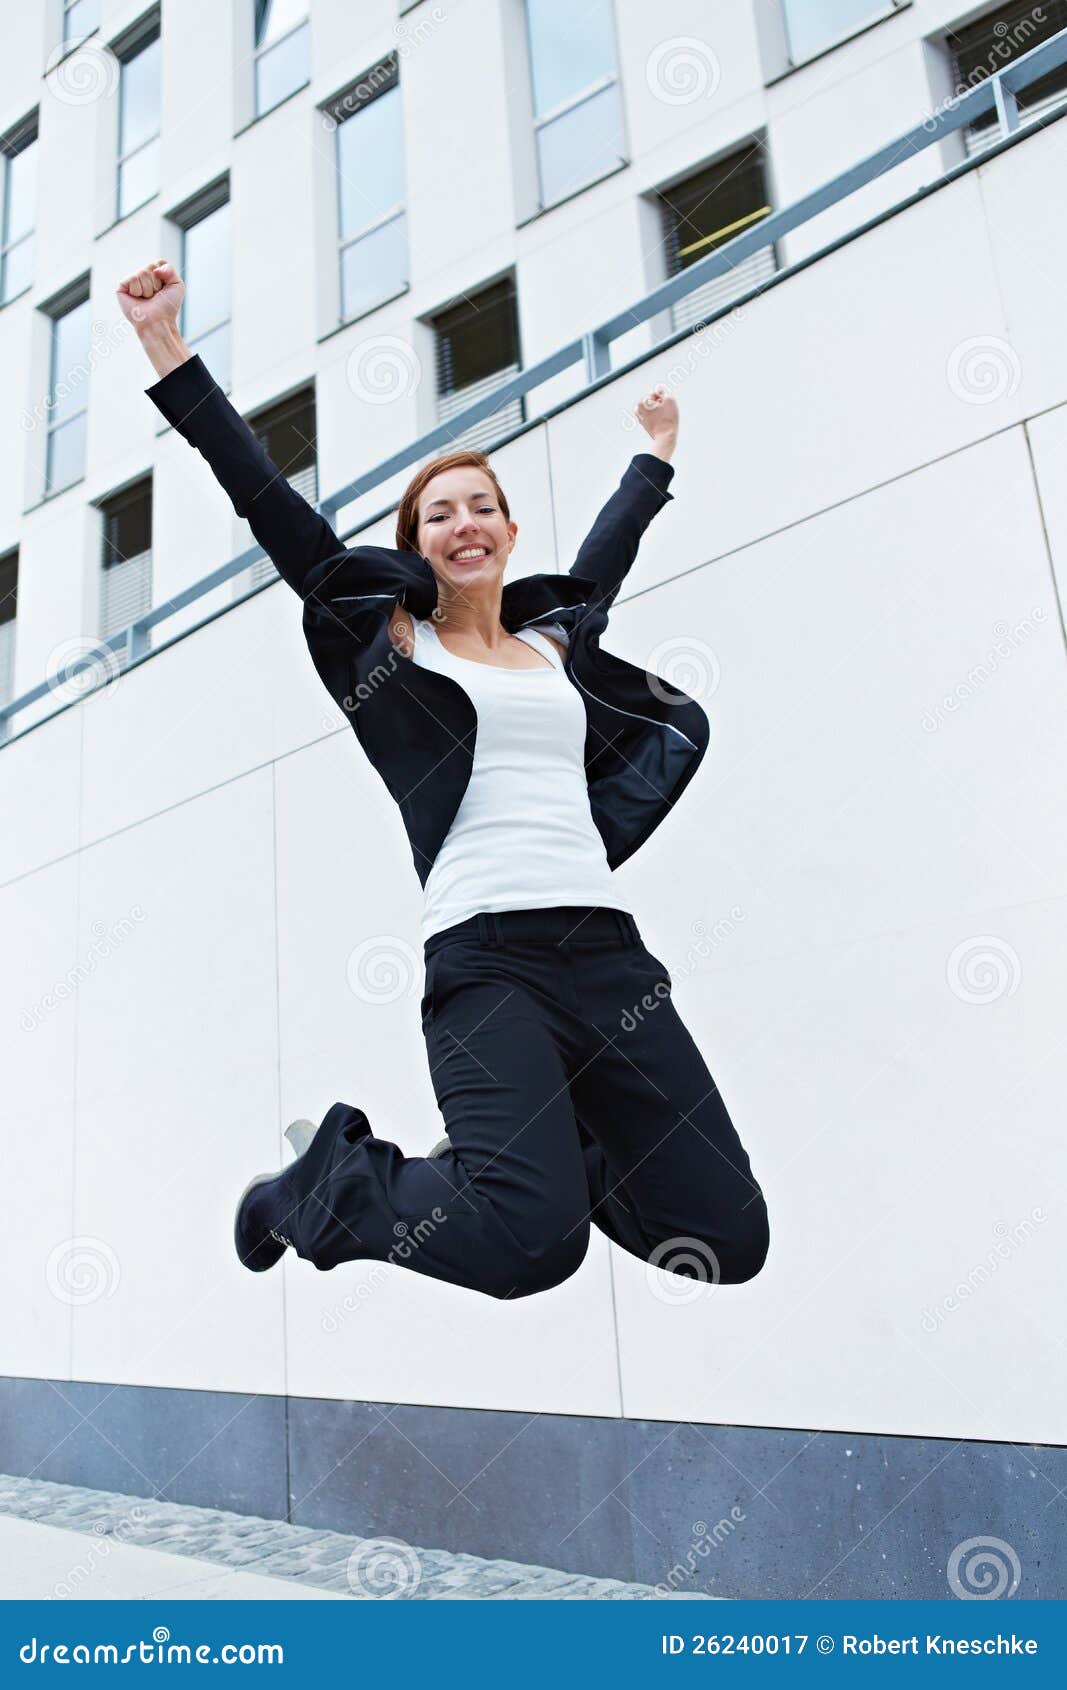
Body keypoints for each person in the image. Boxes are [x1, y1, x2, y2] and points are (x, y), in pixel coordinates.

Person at [117, 259, 770, 1302]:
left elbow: (605, 559)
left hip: (607, 958)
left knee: (725, 1235)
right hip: (485, 960)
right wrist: (166, 347)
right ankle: (322, 1184)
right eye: (437, 514)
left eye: (482, 506)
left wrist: (653, 459)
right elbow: (271, 505)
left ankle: (553, 1152)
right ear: (414, 545)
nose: (462, 522)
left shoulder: (553, 646)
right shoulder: (395, 655)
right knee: (529, 1247)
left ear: (508, 534)